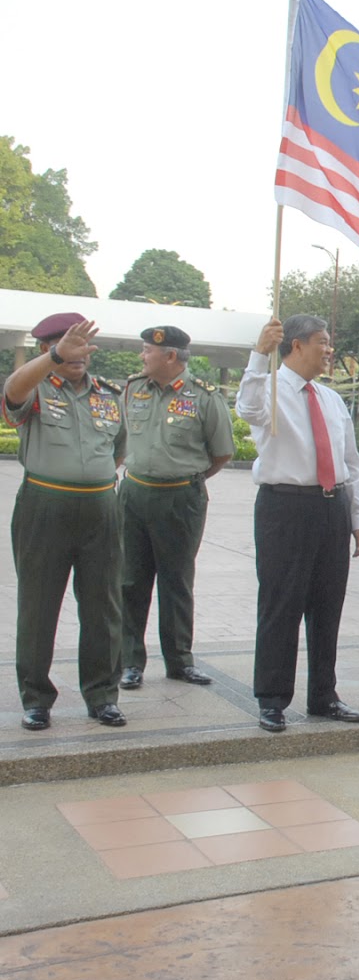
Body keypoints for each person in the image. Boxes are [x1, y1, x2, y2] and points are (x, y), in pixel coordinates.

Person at [234, 315, 359, 733]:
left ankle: (324, 695)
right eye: (322, 342)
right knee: (281, 605)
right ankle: (272, 698)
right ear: (295, 345)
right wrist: (260, 354)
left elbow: (349, 462)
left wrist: (357, 517)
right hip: (285, 509)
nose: (329, 350)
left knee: (328, 606)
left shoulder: (330, 399)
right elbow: (247, 408)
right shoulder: (270, 389)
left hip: (331, 507)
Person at [3, 313, 128, 730]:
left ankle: (102, 695)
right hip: (45, 504)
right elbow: (11, 391)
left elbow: (118, 449)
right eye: (66, 344)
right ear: (46, 348)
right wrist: (56, 358)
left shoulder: (109, 394)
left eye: (82, 343)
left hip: (100, 508)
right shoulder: (34, 385)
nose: (79, 352)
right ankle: (36, 698)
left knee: (103, 605)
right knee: (38, 606)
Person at [117, 326, 234, 692]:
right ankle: (129, 662)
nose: (141, 356)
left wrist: (185, 479)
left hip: (180, 498)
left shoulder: (203, 397)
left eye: (147, 351)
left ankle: (180, 661)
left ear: (170, 356)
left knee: (176, 581)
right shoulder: (133, 389)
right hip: (134, 494)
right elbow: (118, 440)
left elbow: (221, 453)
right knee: (130, 581)